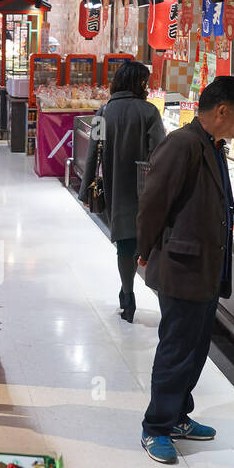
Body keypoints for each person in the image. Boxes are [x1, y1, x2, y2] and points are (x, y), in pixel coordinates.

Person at [136, 76, 234, 465]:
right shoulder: (182, 144)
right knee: (176, 348)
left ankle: (178, 416)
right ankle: (156, 427)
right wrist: (144, 249)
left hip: (204, 267)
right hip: (181, 267)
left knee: (196, 348)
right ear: (222, 111)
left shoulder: (213, 146)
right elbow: (153, 203)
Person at [80, 61, 165, 324]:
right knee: (151, 243)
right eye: (145, 82)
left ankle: (127, 296)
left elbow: (93, 152)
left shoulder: (103, 112)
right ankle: (163, 301)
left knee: (125, 245)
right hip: (145, 190)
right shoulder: (149, 112)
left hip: (116, 190)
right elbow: (160, 151)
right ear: (139, 83)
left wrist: (85, 191)